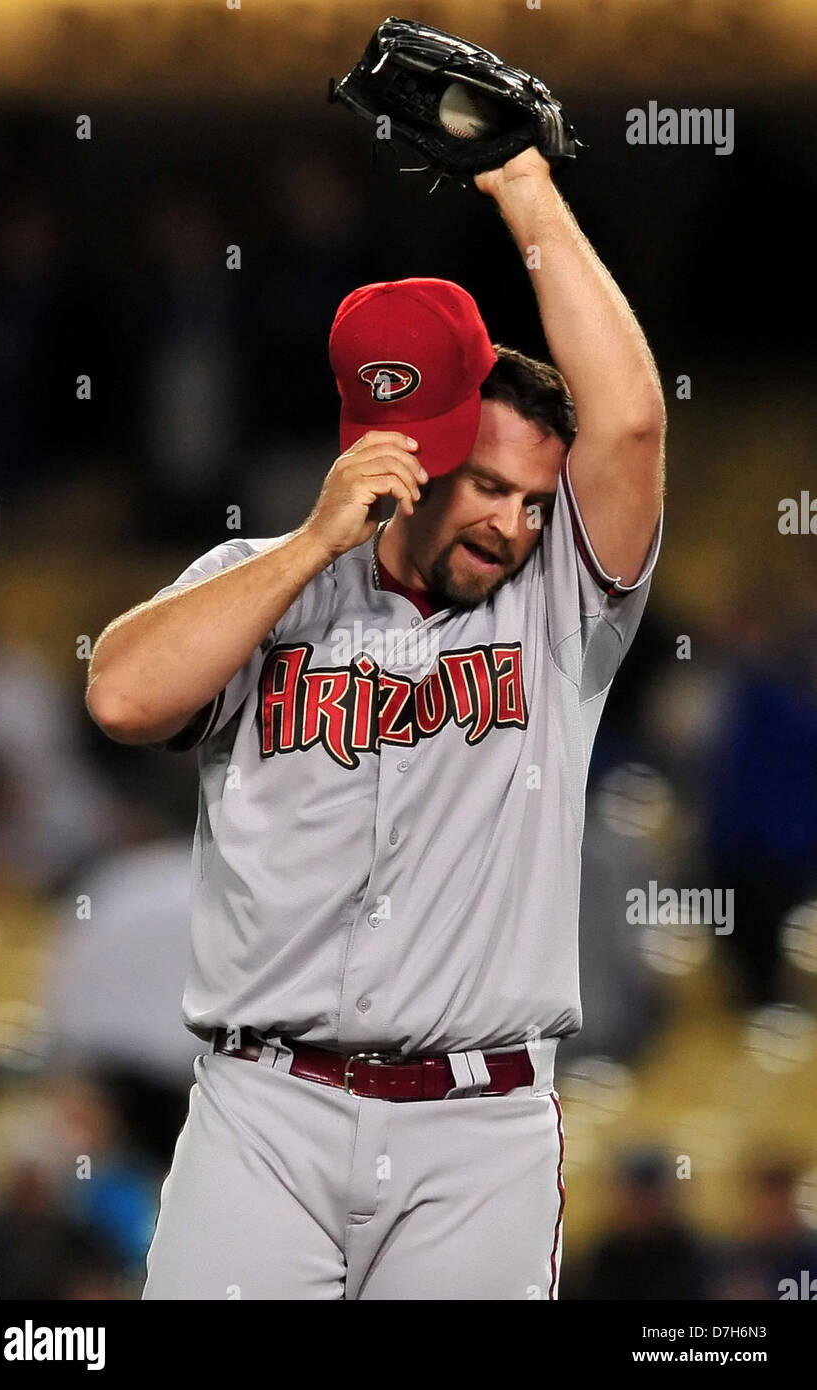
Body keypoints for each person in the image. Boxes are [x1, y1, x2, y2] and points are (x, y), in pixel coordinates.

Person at [86, 146, 665, 1300]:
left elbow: (634, 425)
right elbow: (120, 692)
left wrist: (520, 187)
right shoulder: (259, 578)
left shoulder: (556, 604)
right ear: (409, 458)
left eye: (531, 501)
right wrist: (308, 547)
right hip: (264, 1113)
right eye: (485, 484)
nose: (510, 523)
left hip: (478, 1128)